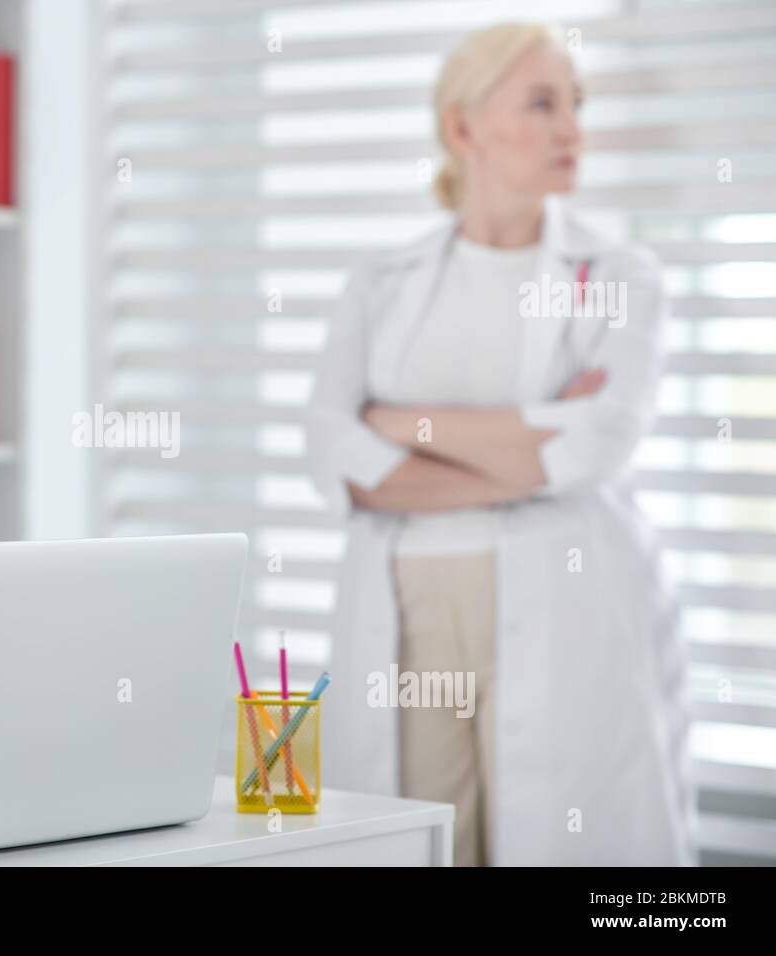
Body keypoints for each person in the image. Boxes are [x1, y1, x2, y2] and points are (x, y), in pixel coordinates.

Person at [308, 22, 695, 865]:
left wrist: (401, 425)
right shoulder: (380, 281)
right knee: (420, 840)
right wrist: (529, 449)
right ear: (462, 127)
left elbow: (597, 448)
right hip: (407, 607)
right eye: (543, 104)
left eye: (578, 106)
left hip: (567, 597)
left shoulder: (619, 276)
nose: (572, 131)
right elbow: (333, 452)